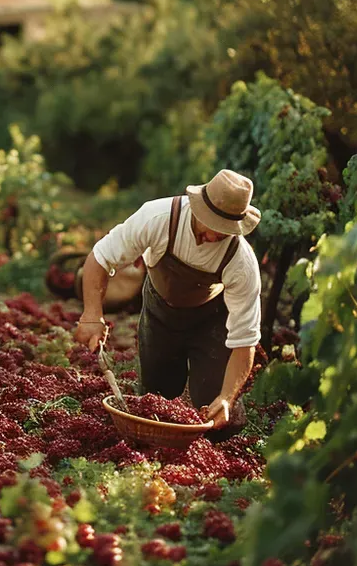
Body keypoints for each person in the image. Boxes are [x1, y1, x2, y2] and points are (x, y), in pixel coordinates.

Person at [74, 170, 262, 441]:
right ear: (198, 208)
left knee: (216, 414)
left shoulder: (241, 261)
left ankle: (224, 432)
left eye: (225, 230)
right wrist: (92, 315)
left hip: (211, 320)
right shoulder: (159, 217)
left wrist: (226, 398)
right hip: (160, 311)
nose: (216, 235)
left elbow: (245, 341)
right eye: (212, 224)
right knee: (155, 401)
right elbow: (101, 258)